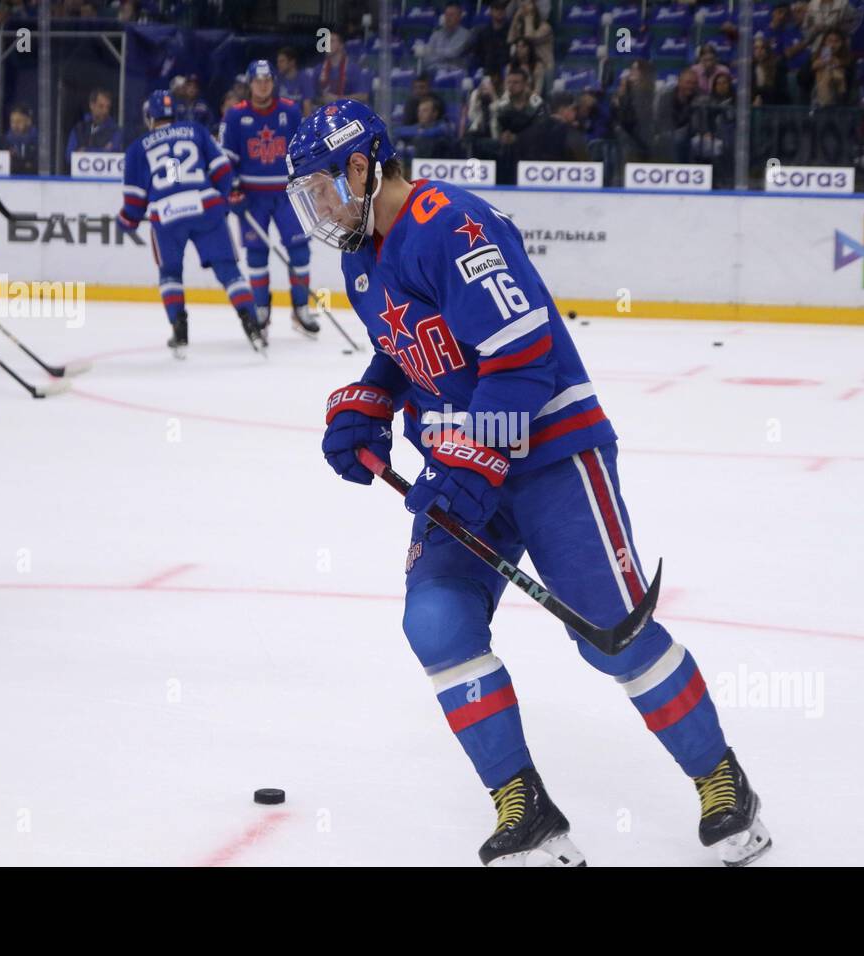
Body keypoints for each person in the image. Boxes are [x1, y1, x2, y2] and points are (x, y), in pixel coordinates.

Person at [285, 99, 773, 868]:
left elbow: (520, 354)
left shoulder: (454, 222)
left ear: (360, 166)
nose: (313, 206)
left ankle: (723, 780)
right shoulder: (360, 257)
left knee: (613, 636)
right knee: (436, 625)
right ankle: (527, 809)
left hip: (549, 456)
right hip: (463, 471)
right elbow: (406, 349)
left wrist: (472, 461)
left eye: (317, 186)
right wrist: (371, 400)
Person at [116, 89, 266, 356]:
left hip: (167, 213)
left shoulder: (138, 148)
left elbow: (134, 204)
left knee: (170, 273)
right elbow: (222, 170)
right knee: (229, 271)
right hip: (205, 206)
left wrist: (126, 220)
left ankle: (180, 330)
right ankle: (252, 325)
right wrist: (221, 201)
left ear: (149, 117)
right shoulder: (195, 130)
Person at [221, 60, 319, 338]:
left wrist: (308, 181)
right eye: (257, 80)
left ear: (273, 82)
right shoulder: (235, 116)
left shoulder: (290, 110)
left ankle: (301, 309)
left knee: (300, 252)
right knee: (256, 255)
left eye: (267, 80)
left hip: (288, 195)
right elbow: (226, 159)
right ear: (249, 84)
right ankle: (261, 309)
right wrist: (233, 190)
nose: (263, 85)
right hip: (252, 198)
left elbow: (302, 152)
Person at [517, 91, 588, 161]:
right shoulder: (571, 133)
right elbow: (583, 163)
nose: (576, 113)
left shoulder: (530, 131)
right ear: (563, 110)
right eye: (574, 109)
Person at [65, 87, 123, 169]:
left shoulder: (115, 131)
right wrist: (103, 151)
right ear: (92, 105)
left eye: (107, 107)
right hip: (81, 180)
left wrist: (84, 151)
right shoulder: (79, 129)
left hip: (106, 180)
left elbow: (114, 155)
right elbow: (69, 157)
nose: (105, 111)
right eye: (101, 106)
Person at [314, 31, 370, 105]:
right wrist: (323, 100)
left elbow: (364, 96)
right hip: (324, 112)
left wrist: (337, 99)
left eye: (331, 41)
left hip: (347, 112)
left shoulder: (352, 68)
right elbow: (311, 97)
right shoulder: (319, 69)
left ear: (341, 45)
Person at [469, 1, 512, 80]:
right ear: (491, 11)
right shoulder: (483, 32)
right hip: (486, 68)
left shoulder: (510, 31)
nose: (500, 12)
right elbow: (476, 53)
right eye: (497, 9)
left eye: (502, 9)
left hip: (504, 67)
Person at [422, 4, 471, 72]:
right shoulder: (436, 34)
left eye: (451, 15)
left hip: (456, 72)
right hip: (435, 71)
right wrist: (436, 54)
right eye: (446, 15)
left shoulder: (466, 34)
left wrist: (433, 52)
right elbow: (427, 58)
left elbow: (454, 53)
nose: (448, 18)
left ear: (459, 17)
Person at [275, 47, 314, 115]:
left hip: (299, 119)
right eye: (278, 61)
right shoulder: (277, 79)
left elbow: (307, 107)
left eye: (282, 61)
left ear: (292, 62)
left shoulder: (304, 78)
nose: (278, 64)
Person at [5, 104, 39, 173]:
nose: (15, 125)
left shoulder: (39, 141)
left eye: (19, 121)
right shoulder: (4, 142)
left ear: (28, 121)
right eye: (12, 121)